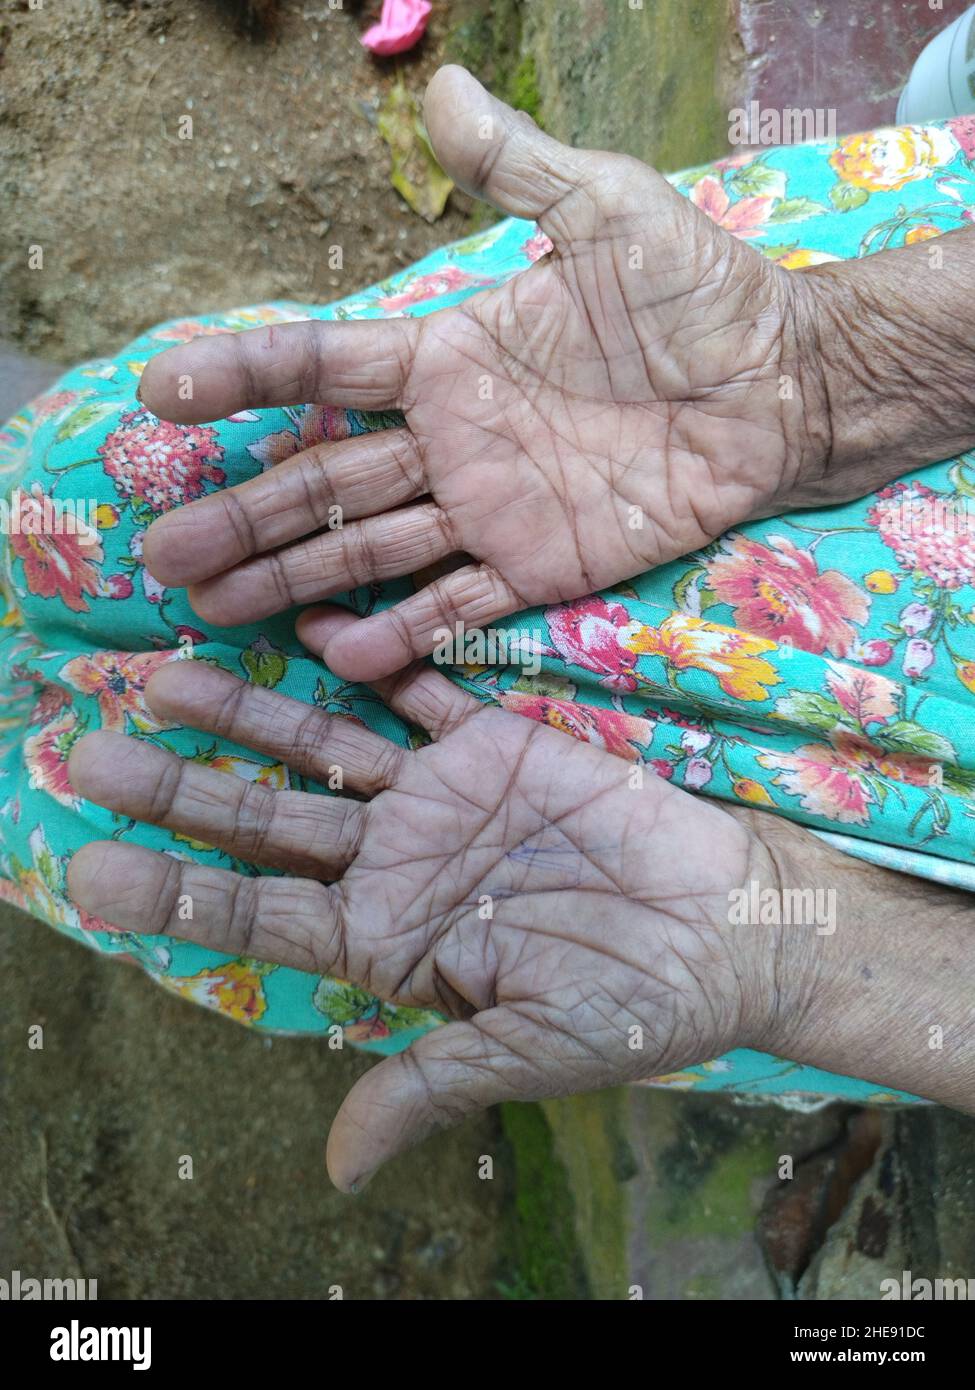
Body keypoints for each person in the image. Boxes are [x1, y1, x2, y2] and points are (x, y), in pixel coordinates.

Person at [4, 67, 975, 1191]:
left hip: (721, 838)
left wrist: (793, 952)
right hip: (801, 413)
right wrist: (833, 373)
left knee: (96, 814)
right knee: (112, 483)